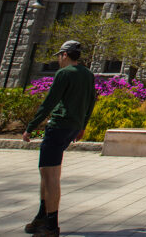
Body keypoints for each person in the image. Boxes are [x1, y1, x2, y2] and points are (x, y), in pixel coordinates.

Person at [22, 40, 97, 237]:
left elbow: (49, 102)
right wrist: (83, 125)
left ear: (65, 55)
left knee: (51, 175)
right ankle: (41, 215)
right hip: (72, 127)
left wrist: (30, 127)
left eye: (59, 56)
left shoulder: (64, 73)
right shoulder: (88, 74)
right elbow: (91, 101)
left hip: (58, 126)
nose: (58, 60)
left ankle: (51, 225)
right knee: (45, 172)